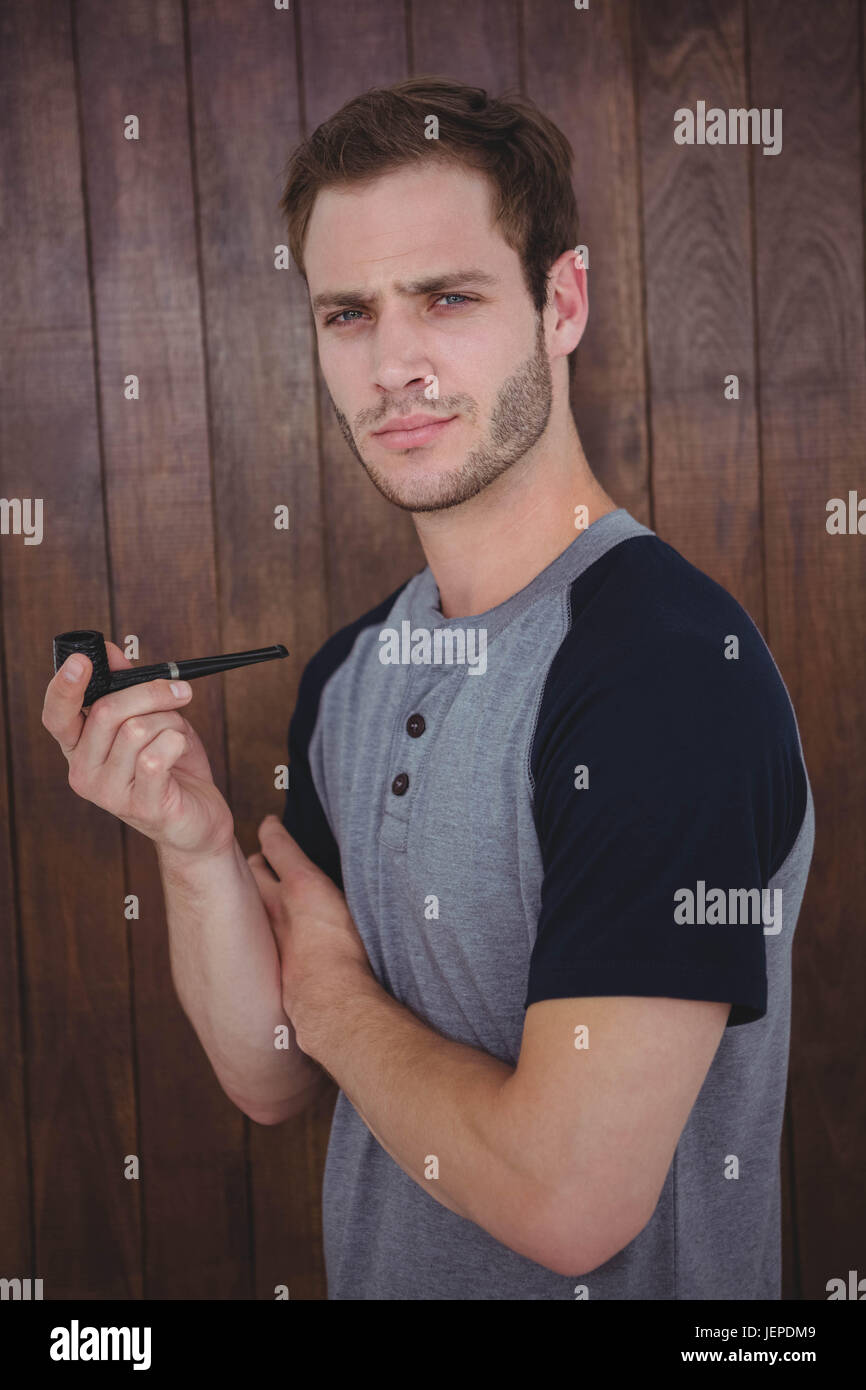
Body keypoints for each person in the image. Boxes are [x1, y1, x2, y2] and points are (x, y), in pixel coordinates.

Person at [43, 78, 814, 1301]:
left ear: (559, 301)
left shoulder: (664, 674)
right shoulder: (357, 668)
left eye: (444, 299)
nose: (392, 362)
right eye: (347, 314)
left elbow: (570, 1205)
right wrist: (189, 850)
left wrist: (338, 997)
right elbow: (270, 1075)